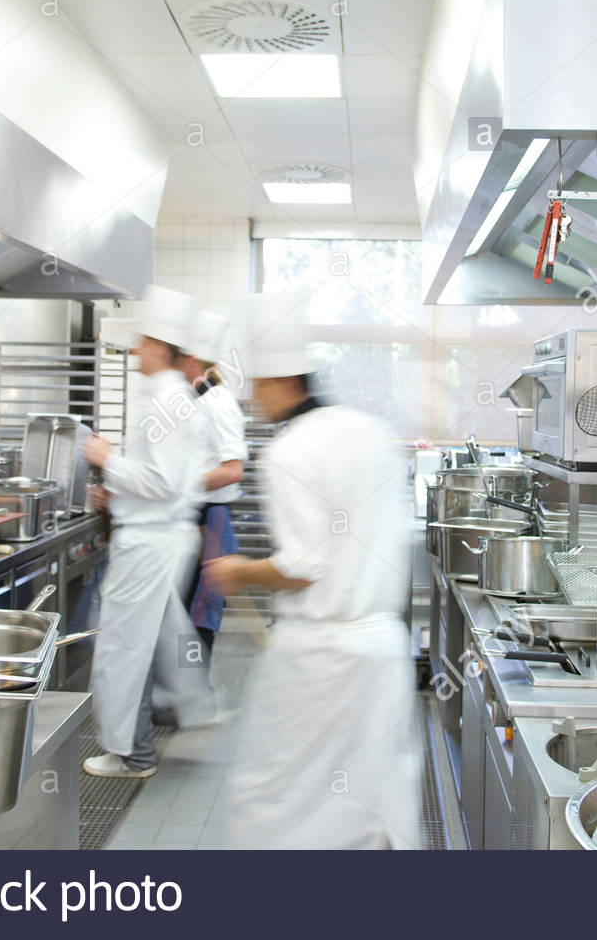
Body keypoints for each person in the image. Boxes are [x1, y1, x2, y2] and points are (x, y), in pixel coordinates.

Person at [205, 293, 422, 849]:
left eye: (254, 385)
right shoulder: (369, 430)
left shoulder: (291, 450)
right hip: (381, 654)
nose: (251, 399)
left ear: (280, 381)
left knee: (276, 800)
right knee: (372, 805)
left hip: (322, 661)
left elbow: (303, 568)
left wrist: (239, 571)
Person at [81, 285, 213, 779]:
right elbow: (159, 476)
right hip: (154, 535)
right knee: (148, 641)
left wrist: (107, 459)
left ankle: (132, 753)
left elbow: (161, 482)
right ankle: (166, 727)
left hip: (149, 542)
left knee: (122, 647)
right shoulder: (167, 398)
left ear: (159, 346)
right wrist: (118, 482)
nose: (134, 348)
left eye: (141, 341)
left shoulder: (168, 403)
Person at [177, 310, 246, 655]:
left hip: (210, 522)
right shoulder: (200, 401)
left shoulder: (219, 404)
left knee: (197, 618)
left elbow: (233, 470)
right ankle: (181, 700)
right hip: (196, 518)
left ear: (191, 361)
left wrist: (177, 484)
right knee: (185, 614)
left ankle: (191, 702)